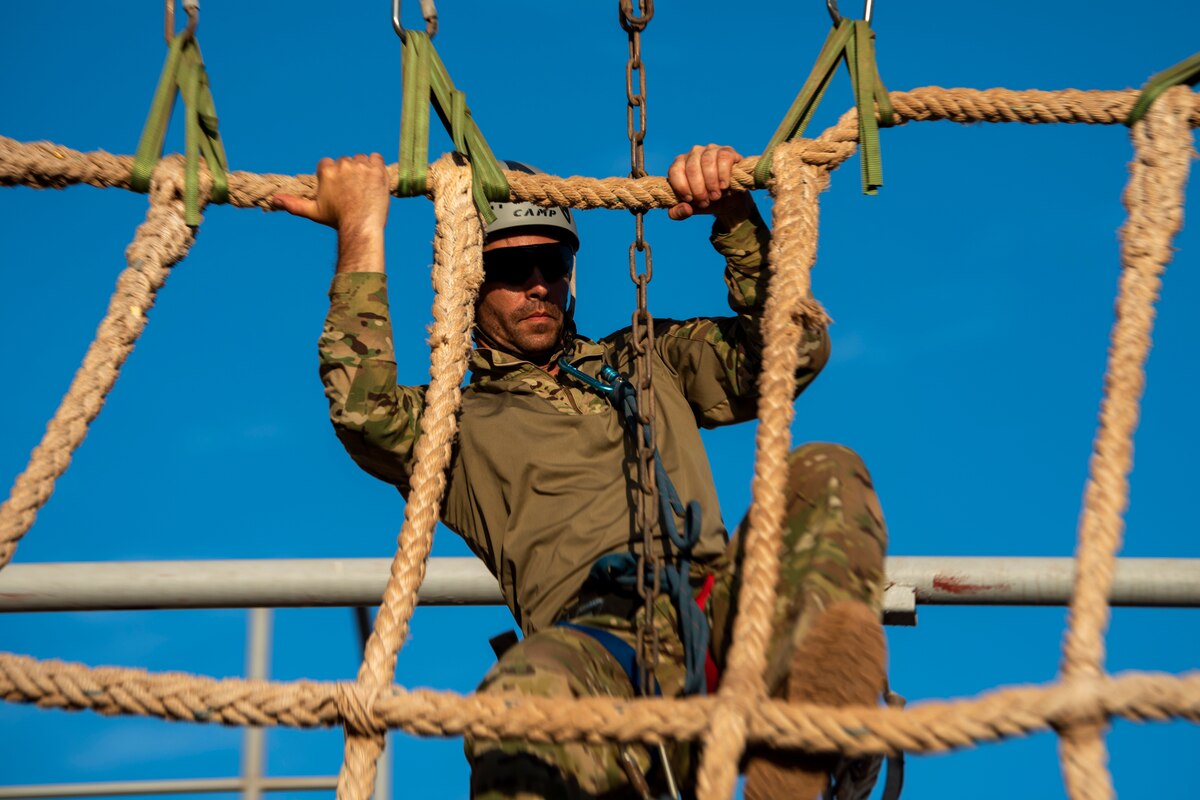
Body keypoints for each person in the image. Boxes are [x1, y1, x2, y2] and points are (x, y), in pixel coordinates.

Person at [273, 145, 888, 800]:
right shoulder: (450, 419)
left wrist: (733, 214)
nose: (538, 283)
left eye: (553, 263)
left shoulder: (653, 358)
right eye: (510, 265)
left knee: (827, 470)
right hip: (598, 651)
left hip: (724, 617)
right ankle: (781, 735)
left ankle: (800, 732)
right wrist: (361, 229)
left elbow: (794, 350)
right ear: (467, 277)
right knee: (518, 703)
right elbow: (363, 413)